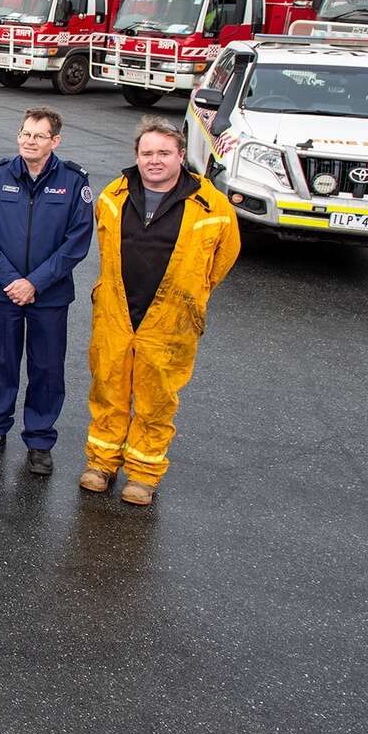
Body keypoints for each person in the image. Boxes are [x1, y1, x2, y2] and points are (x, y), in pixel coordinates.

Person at [81, 116, 239, 505]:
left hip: (171, 319)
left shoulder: (211, 206)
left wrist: (192, 293)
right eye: (147, 152)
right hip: (117, 311)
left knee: (157, 398)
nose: (155, 160)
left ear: (181, 156)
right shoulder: (112, 196)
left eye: (164, 153)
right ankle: (101, 463)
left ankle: (143, 474)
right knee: (108, 388)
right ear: (136, 156)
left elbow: (225, 257)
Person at [0, 107, 93, 476]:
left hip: (49, 296)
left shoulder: (73, 183)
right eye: (24, 134)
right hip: (5, 292)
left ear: (55, 141)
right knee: (1, 362)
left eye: (38, 136)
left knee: (46, 368)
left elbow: (76, 243)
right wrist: (13, 281)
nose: (29, 141)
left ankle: (39, 440)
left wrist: (34, 282)